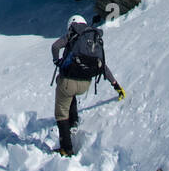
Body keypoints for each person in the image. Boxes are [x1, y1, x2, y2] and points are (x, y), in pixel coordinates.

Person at [51, 14, 125, 156]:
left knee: (61, 112)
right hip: (85, 84)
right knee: (69, 93)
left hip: (68, 82)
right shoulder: (93, 38)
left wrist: (56, 61)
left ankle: (66, 149)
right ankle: (73, 122)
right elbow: (103, 66)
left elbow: (55, 47)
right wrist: (116, 86)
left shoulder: (72, 34)